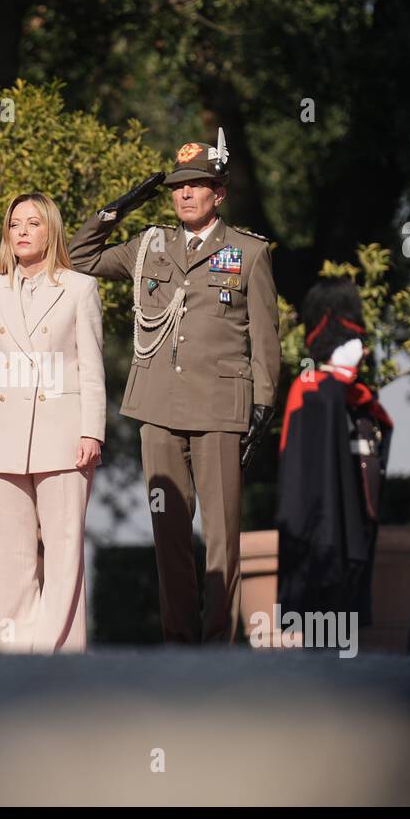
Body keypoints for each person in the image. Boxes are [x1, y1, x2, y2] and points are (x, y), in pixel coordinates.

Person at [69, 135, 281, 644]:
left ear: (219, 193)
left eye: (196, 186)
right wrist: (119, 208)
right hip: (160, 405)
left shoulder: (248, 252)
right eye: (177, 187)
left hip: (220, 408)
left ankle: (218, 642)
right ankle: (179, 642)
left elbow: (265, 335)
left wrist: (263, 402)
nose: (185, 195)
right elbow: (81, 258)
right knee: (169, 533)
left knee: (223, 536)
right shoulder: (149, 245)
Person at [0, 193, 105, 653]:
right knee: (7, 555)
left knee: (63, 553)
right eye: (14, 224)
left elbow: (91, 367)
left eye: (33, 223)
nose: (21, 231)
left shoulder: (80, 288)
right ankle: (10, 655)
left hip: (63, 435)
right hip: (0, 434)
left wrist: (92, 431)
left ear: (51, 231)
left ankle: (57, 654)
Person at [275, 279, 393, 635]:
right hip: (323, 528)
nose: (362, 348)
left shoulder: (354, 394)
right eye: (352, 340)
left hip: (354, 517)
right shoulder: (314, 392)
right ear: (334, 344)